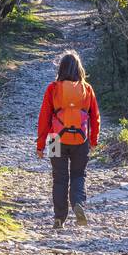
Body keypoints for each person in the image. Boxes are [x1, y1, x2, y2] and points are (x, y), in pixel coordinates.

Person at [35, 50, 100, 228]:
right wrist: (93, 141)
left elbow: (44, 117)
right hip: (82, 139)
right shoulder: (87, 89)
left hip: (55, 140)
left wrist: (40, 145)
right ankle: (78, 203)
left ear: (61, 68)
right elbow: (95, 117)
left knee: (59, 178)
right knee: (79, 174)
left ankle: (59, 218)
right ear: (80, 69)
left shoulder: (52, 88)